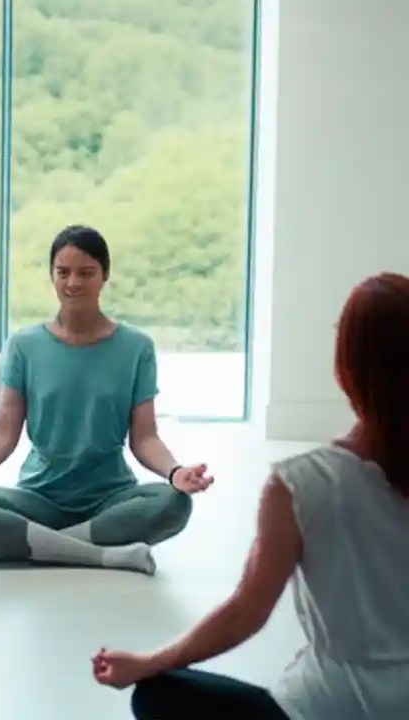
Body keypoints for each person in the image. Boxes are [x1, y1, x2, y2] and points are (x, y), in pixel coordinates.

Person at [92, 271, 409, 719]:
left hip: (323, 708)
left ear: (346, 369)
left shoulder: (304, 482)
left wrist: (149, 663)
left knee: (155, 694)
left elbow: (246, 612)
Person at [0, 225, 212, 574]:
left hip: (110, 500)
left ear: (105, 276)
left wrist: (176, 473)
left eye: (86, 273)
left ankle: (34, 547)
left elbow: (145, 437)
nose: (73, 283)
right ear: (52, 276)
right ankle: (99, 554)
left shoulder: (136, 348)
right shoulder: (23, 346)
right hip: (38, 500)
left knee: (172, 503)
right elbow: (2, 434)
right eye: (63, 272)